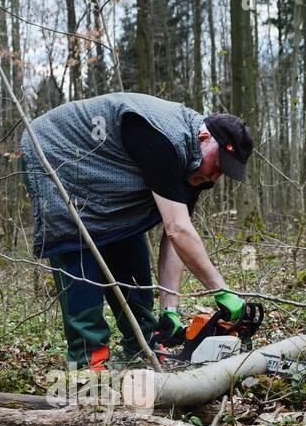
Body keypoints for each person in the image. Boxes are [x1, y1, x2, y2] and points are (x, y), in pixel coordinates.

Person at [20, 92, 255, 370]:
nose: (216, 176)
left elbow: (176, 239)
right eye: (218, 165)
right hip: (56, 147)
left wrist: (170, 309)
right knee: (78, 250)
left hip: (109, 177)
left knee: (131, 255)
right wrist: (221, 290)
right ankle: (89, 362)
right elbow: (177, 229)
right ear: (204, 138)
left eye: (223, 172)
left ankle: (142, 349)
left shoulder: (193, 166)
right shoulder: (164, 138)